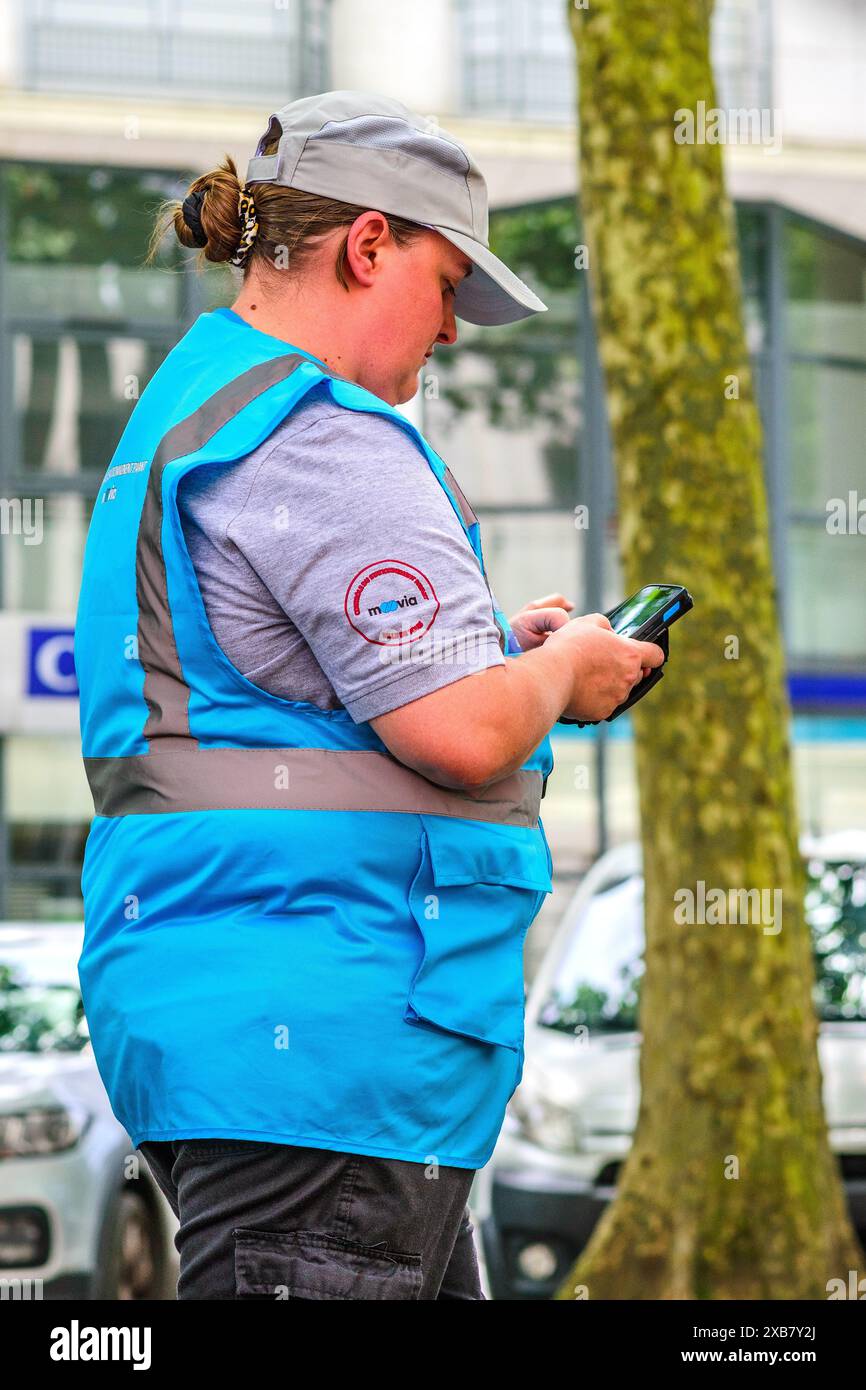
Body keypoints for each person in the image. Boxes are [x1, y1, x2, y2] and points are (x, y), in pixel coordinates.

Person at [74, 90, 664, 1301]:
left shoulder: (198, 407)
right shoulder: (321, 436)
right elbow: (460, 733)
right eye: (447, 285)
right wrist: (561, 670)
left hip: (262, 1039)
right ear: (367, 245)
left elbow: (266, 695)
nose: (449, 330)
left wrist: (490, 648)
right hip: (332, 1052)